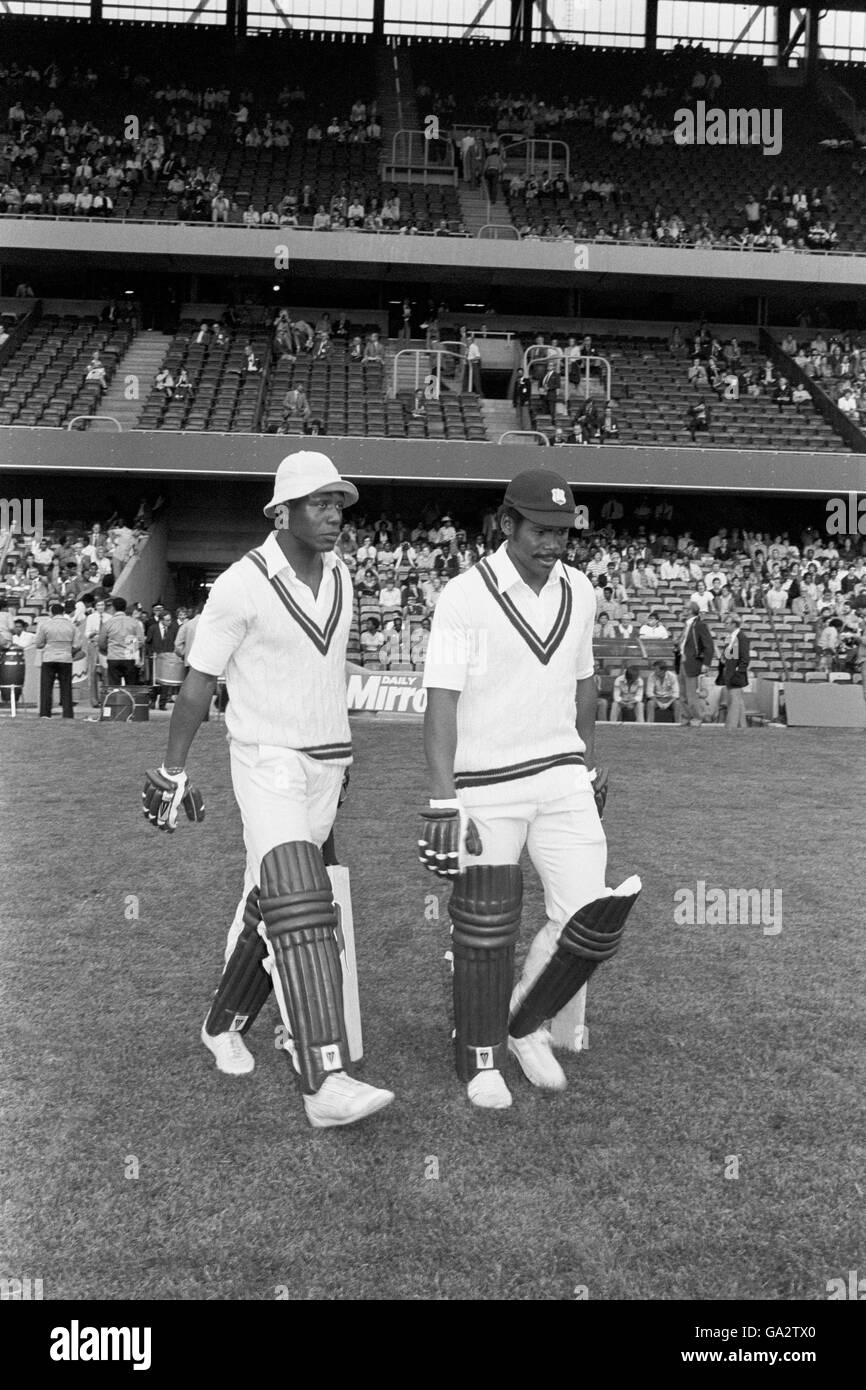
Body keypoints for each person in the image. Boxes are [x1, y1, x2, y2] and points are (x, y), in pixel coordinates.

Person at [142, 451, 394, 1130]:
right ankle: (324, 1077)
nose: (334, 515)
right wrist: (172, 769)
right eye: (319, 503)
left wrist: (340, 754)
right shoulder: (240, 585)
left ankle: (223, 1022)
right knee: (301, 899)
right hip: (266, 760)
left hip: (326, 764)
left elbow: (324, 671)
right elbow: (199, 684)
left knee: (269, 900)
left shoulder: (342, 574)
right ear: (280, 512)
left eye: (339, 503)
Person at [419, 468, 640, 1111]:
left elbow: (585, 682)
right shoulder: (464, 595)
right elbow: (441, 701)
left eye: (563, 532)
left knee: (588, 919)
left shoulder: (581, 589)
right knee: (485, 926)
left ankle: (523, 1019)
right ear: (506, 523)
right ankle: (482, 1053)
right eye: (540, 530)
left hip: (563, 778)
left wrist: (588, 764)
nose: (553, 544)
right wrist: (442, 798)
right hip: (486, 785)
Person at [35, 600, 80, 718]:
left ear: (51, 612)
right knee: (66, 687)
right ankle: (68, 714)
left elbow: (38, 644)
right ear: (63, 612)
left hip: (49, 658)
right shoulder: (71, 625)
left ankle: (45, 713)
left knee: (46, 687)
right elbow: (77, 645)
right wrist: (69, 651)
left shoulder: (45, 625)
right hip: (65, 658)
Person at [676, 600, 715, 726]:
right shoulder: (687, 625)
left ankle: (696, 718)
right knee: (682, 694)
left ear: (691, 610)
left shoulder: (700, 625)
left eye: (685, 608)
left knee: (691, 695)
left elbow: (708, 645)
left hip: (692, 663)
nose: (683, 610)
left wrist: (706, 663)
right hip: (682, 661)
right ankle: (685, 717)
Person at [100, 594, 144, 687]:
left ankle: (117, 701)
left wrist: (108, 649)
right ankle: (129, 701)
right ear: (125, 608)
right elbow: (141, 641)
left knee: (114, 687)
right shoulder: (134, 622)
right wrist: (131, 648)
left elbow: (102, 643)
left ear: (113, 608)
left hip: (113, 657)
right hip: (129, 657)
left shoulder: (108, 623)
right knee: (131, 687)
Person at [719, 612, 750, 731]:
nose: (724, 625)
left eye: (727, 623)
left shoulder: (741, 638)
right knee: (738, 701)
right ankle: (742, 726)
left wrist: (739, 671)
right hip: (730, 672)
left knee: (734, 701)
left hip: (735, 674)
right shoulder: (731, 638)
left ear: (734, 624)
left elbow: (745, 658)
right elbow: (730, 656)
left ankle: (731, 726)